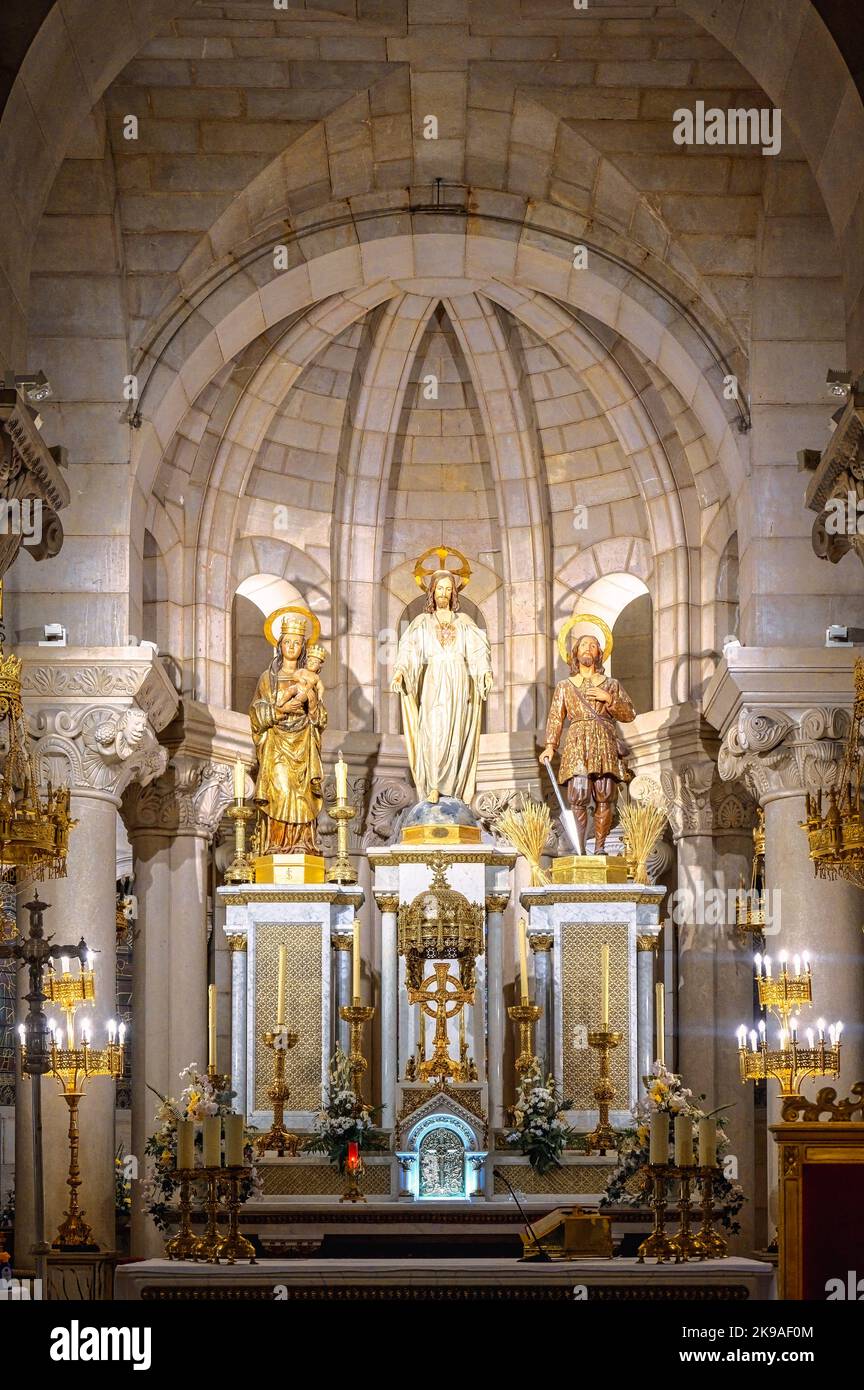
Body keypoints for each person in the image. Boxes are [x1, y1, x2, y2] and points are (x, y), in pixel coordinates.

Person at [391, 567, 492, 805]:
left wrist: (484, 672)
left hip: (459, 683)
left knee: (456, 734)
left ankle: (454, 789)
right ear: (432, 592)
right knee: (434, 733)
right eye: (440, 588)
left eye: (449, 589)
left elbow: (478, 651)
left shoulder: (465, 622)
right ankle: (434, 785)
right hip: (434, 681)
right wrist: (400, 671)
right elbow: (409, 650)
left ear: (454, 593)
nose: (444, 593)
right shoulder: (421, 622)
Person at [540, 632, 634, 854]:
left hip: (604, 741)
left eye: (593, 645)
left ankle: (600, 848)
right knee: (578, 797)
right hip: (577, 743)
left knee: (605, 794)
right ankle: (581, 850)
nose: (587, 648)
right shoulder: (565, 686)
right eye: (583, 645)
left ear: (599, 654)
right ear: (575, 653)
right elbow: (555, 717)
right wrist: (550, 746)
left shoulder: (611, 684)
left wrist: (609, 699)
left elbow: (629, 713)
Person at [250, 616, 327, 853]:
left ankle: (302, 844)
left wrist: (312, 705)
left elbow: (320, 718)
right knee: (280, 790)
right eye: (287, 642)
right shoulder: (268, 678)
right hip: (276, 744)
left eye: (297, 643)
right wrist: (280, 710)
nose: (292, 647)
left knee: (301, 796)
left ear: (303, 647)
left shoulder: (314, 680)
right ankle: (276, 844)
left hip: (304, 743)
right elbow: (255, 712)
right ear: (280, 645)